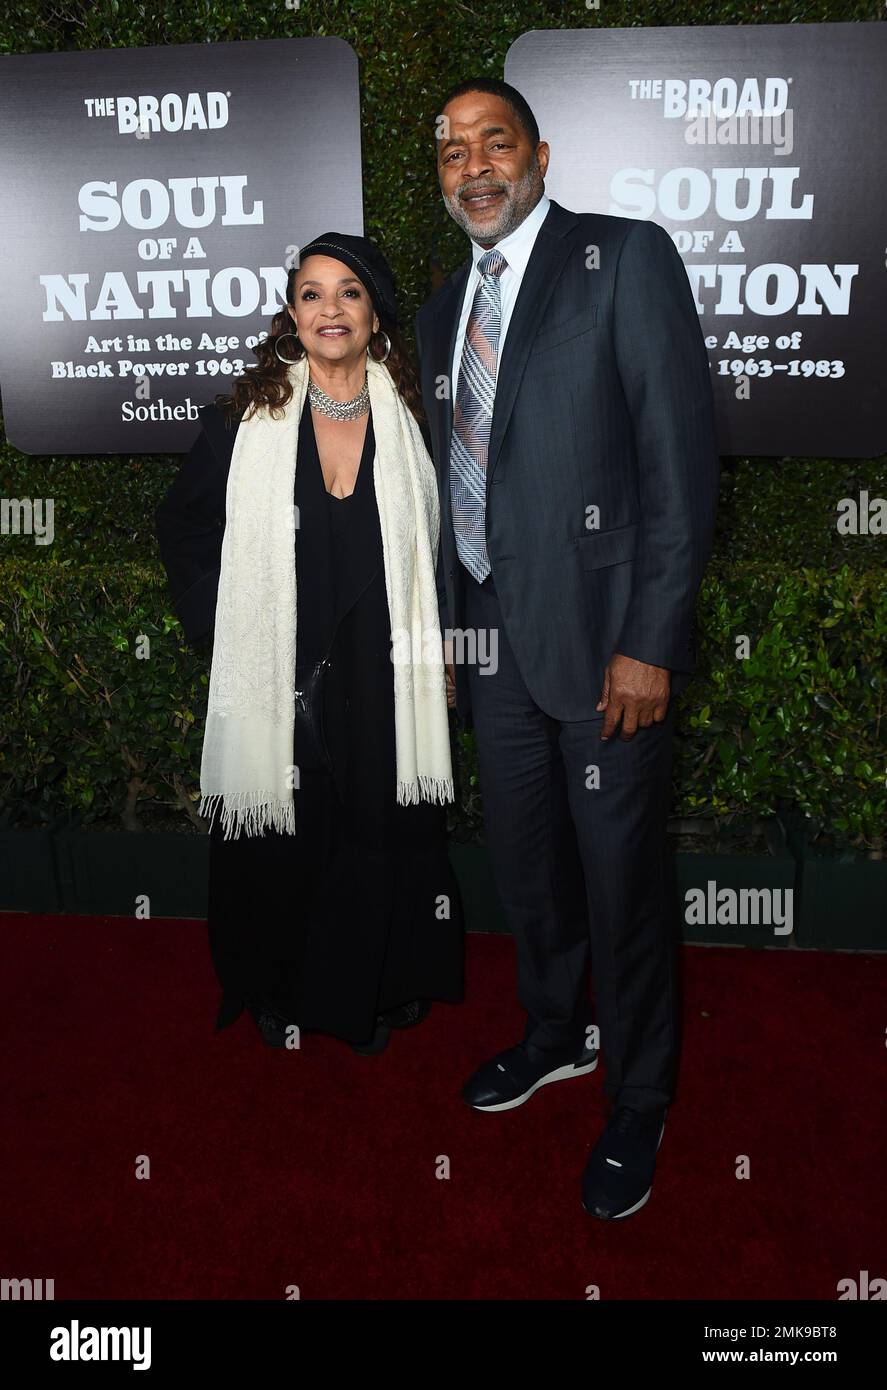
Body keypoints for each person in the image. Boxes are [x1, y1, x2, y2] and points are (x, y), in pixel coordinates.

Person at [415, 79, 719, 1217]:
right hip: (492, 643)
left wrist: (649, 642)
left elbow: (678, 466)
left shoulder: (622, 259)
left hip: (602, 651)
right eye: (452, 152)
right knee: (527, 865)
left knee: (619, 882)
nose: (474, 166)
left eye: (494, 143)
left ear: (539, 154)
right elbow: (454, 486)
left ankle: (637, 1096)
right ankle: (555, 1033)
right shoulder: (447, 306)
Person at [156, 232, 464, 1056]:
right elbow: (184, 525)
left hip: (383, 663)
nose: (330, 309)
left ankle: (383, 985)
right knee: (281, 840)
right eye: (311, 294)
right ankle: (275, 986)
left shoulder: (419, 419)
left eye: (349, 293)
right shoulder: (246, 418)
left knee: (380, 832)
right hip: (277, 665)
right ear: (291, 316)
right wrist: (219, 630)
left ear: (375, 314)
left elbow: (454, 543)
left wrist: (448, 651)